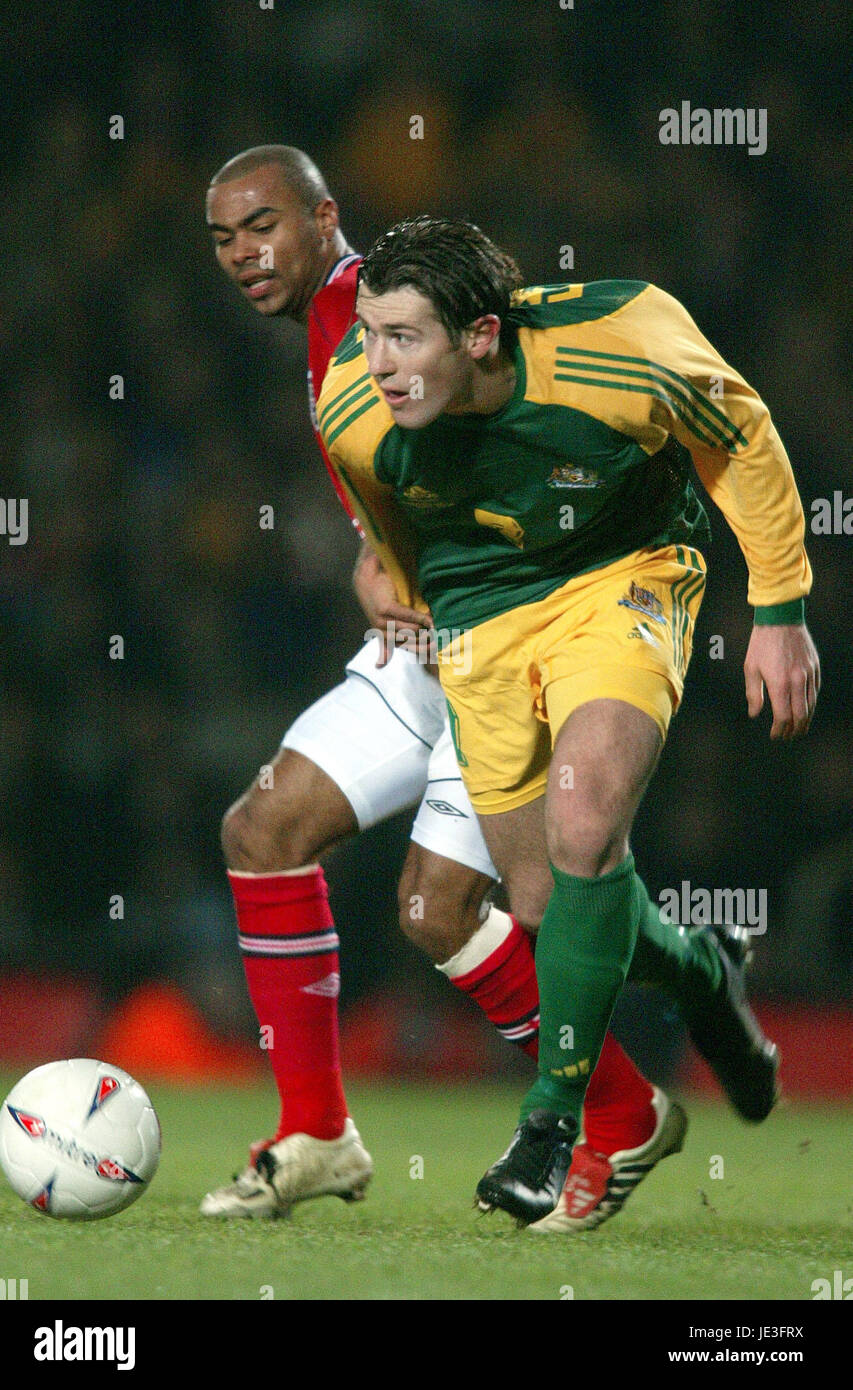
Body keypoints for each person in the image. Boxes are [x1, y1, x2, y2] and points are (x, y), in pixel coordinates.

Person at [318, 214, 818, 1227]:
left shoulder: (624, 339)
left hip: (623, 575)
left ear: (481, 339)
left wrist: (778, 611)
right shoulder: (350, 405)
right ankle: (701, 974)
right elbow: (384, 522)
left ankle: (552, 1121)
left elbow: (739, 434)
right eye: (369, 331)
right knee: (549, 907)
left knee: (586, 823)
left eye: (403, 338)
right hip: (478, 618)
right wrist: (389, 583)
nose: (378, 362)